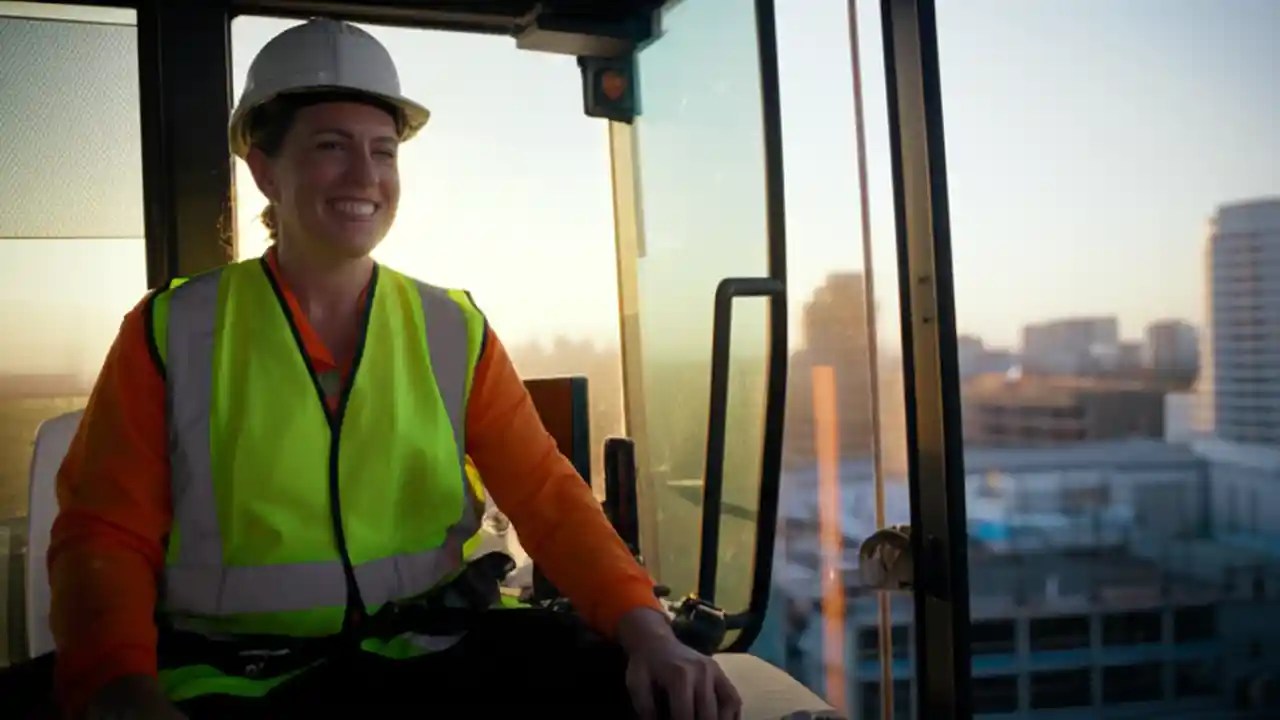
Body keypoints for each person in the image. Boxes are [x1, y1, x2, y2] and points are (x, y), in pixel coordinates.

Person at [4, 17, 742, 720]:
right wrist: (121, 686)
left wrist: (647, 630)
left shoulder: (452, 329)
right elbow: (104, 535)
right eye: (330, 146)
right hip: (237, 676)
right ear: (265, 168)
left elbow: (550, 499)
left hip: (438, 657)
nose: (365, 173)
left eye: (383, 149)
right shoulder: (170, 332)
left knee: (657, 695)